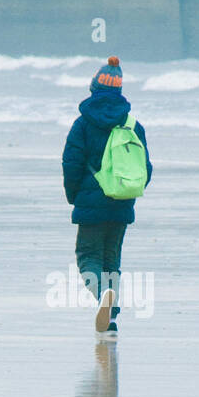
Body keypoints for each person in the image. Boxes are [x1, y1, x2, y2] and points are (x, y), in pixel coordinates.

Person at [62, 56, 152, 338]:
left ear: (93, 86)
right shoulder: (132, 125)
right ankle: (111, 317)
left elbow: (71, 164)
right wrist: (129, 194)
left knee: (88, 257)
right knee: (111, 260)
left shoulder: (83, 124)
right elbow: (145, 168)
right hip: (122, 202)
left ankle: (104, 296)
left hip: (90, 203)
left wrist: (73, 196)